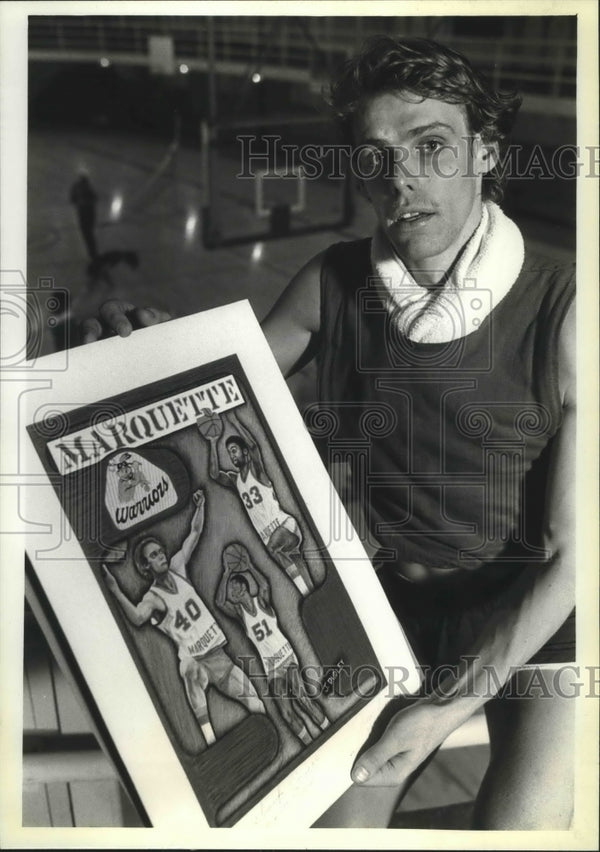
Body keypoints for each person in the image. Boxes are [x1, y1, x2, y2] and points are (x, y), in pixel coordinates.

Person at [85, 36, 575, 830]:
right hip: (399, 609)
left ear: (486, 152)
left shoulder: (567, 312)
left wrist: (445, 710)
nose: (400, 179)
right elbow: (201, 393)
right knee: (337, 834)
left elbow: (570, 560)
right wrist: (131, 355)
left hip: (538, 614)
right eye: (377, 156)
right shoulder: (332, 283)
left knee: (523, 833)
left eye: (431, 147)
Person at [103, 489, 266, 747]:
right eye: (154, 556)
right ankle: (211, 743)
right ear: (146, 567)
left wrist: (199, 507)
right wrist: (115, 590)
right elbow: (136, 617)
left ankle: (264, 739)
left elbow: (195, 533)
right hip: (195, 661)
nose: (161, 556)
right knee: (192, 677)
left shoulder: (179, 567)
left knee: (257, 704)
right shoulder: (152, 598)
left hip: (217, 655)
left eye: (160, 551)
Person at [215, 542, 329, 745]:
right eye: (231, 590)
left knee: (303, 699)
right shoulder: (241, 616)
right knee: (286, 713)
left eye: (234, 587)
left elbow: (265, 584)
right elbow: (220, 602)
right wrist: (226, 573)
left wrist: (249, 565)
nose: (231, 592)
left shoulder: (261, 601)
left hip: (286, 657)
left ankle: (329, 732)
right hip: (271, 668)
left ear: (243, 586)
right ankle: (312, 744)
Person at [200, 407, 315, 596]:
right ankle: (311, 592)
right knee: (303, 572)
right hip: (271, 534)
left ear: (244, 452)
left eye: (234, 450)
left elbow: (253, 447)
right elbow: (214, 474)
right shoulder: (236, 481)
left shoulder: (256, 470)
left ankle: (303, 592)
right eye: (229, 453)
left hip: (285, 525)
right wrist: (213, 442)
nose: (232, 455)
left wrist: (236, 423)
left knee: (273, 550)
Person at [69, 169, 98, 261]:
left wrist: (79, 202)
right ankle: (93, 252)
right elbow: (95, 198)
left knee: (86, 234)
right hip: (89, 212)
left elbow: (72, 199)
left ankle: (92, 253)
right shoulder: (87, 188)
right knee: (89, 234)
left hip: (83, 212)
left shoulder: (76, 187)